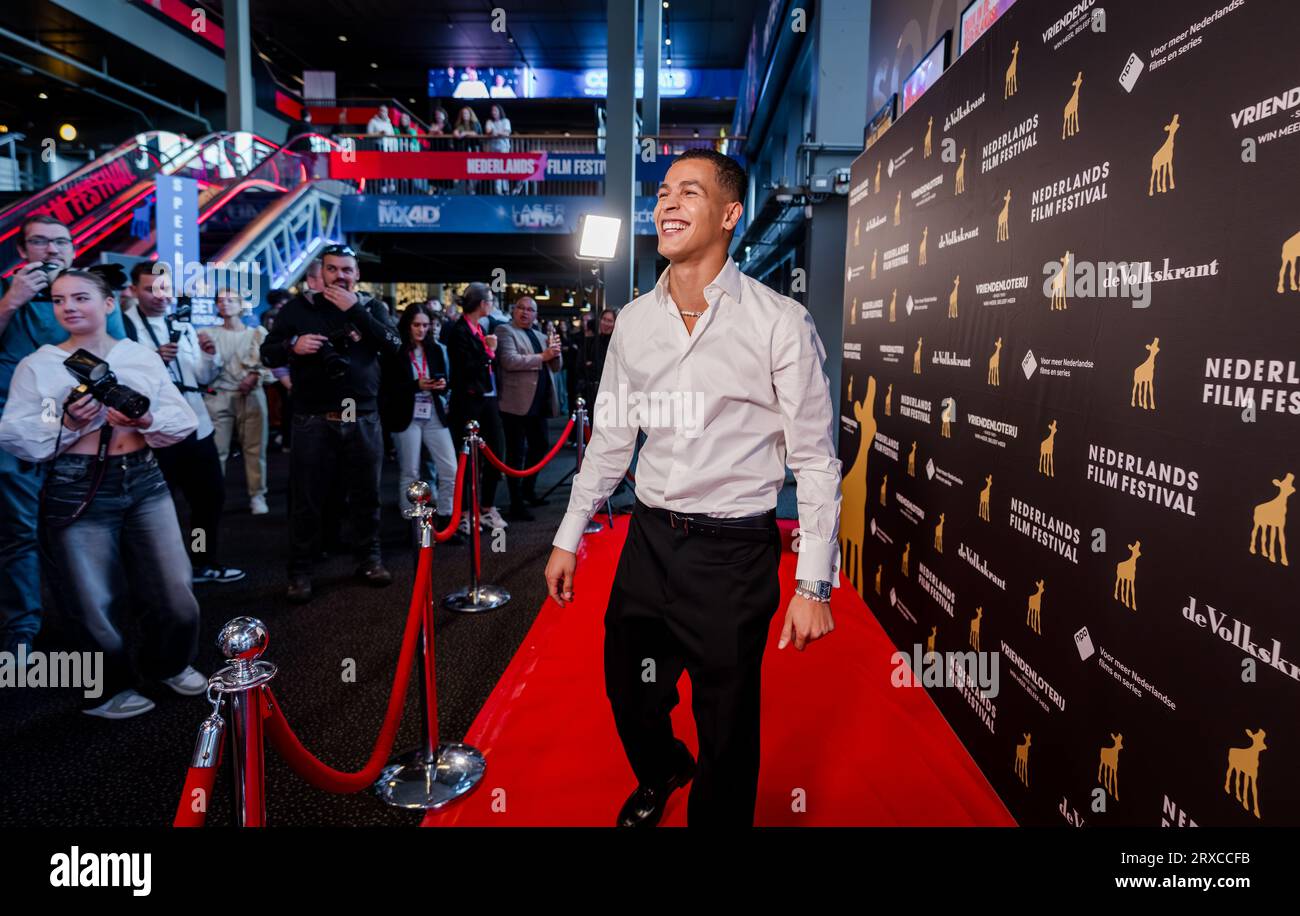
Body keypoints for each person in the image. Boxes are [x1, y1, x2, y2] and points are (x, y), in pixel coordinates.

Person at [543, 149, 842, 827]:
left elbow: (817, 461)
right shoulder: (636, 322)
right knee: (630, 691)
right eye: (664, 192)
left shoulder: (779, 322)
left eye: (691, 192)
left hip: (733, 554)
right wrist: (568, 536)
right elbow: (614, 438)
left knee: (728, 720)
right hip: (648, 542)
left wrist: (813, 584)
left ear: (731, 214)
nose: (669, 204)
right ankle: (663, 768)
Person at [0, 269, 205, 718]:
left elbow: (181, 419)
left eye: (80, 297)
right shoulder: (40, 363)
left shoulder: (138, 356)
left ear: (109, 304)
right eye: (58, 300)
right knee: (91, 597)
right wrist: (70, 423)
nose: (68, 307)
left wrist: (145, 421)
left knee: (174, 587)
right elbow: (15, 435)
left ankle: (169, 662)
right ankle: (110, 687)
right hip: (76, 485)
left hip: (145, 479)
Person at [0, 214, 129, 653]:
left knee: (85, 530)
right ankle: (22, 628)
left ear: (74, 249)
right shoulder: (7, 296)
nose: (51, 250)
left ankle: (95, 624)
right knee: (18, 533)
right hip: (17, 434)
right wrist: (10, 302)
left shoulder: (91, 298)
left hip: (81, 435)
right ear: (22, 251)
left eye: (61, 242)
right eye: (39, 242)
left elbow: (122, 363)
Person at [260, 244, 401, 603]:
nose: (340, 275)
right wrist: (294, 343)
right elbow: (267, 352)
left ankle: (369, 559)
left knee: (367, 494)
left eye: (347, 270)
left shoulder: (371, 307)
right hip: (313, 417)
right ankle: (300, 570)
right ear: (321, 273)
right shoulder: (298, 308)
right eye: (333, 269)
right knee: (306, 498)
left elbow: (394, 345)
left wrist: (355, 311)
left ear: (357, 274)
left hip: (364, 416)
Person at [123, 262, 243, 584]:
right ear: (134, 291)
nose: (160, 296)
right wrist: (153, 362)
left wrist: (209, 355)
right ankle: (161, 573)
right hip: (150, 433)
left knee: (208, 499)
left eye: (164, 288)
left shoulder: (184, 325)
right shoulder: (123, 329)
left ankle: (201, 562)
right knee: (155, 509)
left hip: (194, 426)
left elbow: (202, 377)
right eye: (150, 289)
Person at [382, 303, 461, 544]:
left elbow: (446, 378)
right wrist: (416, 385)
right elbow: (388, 389)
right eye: (417, 325)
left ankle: (447, 520)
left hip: (434, 413)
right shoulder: (395, 351)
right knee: (411, 471)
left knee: (451, 469)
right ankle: (412, 523)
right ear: (407, 325)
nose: (422, 329)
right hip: (407, 415)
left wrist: (440, 384)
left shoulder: (435, 349)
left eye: (426, 325)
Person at [444, 282, 509, 533]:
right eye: (490, 300)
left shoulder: (480, 328)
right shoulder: (458, 331)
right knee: (468, 459)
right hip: (469, 401)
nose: (492, 305)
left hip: (488, 398)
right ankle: (464, 513)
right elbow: (463, 369)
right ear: (482, 304)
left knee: (496, 452)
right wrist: (489, 353)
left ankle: (485, 507)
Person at [205, 288, 270, 514]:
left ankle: (258, 495)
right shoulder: (207, 334)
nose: (225, 304)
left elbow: (267, 362)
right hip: (218, 394)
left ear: (241, 304)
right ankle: (214, 496)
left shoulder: (257, 334)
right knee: (216, 449)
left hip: (251, 395)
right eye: (220, 300)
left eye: (231, 300)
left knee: (255, 448)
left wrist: (254, 375)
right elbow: (201, 366)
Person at [496, 296, 561, 521]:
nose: (525, 313)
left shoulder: (542, 336)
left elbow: (555, 366)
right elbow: (509, 361)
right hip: (516, 403)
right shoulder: (504, 331)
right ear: (514, 311)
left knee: (540, 445)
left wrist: (555, 353)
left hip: (539, 402)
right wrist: (543, 356)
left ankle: (528, 490)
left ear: (535, 314)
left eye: (530, 310)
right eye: (521, 308)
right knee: (516, 454)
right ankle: (515, 503)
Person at [484, 104, 513, 195]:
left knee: (504, 169)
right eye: (492, 111)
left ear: (500, 111)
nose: (494, 113)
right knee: (497, 170)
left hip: (504, 148)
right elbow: (488, 131)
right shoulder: (489, 122)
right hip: (493, 149)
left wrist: (496, 133)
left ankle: (506, 190)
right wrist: (498, 133)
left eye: (495, 110)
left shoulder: (506, 121)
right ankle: (498, 191)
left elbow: (506, 132)